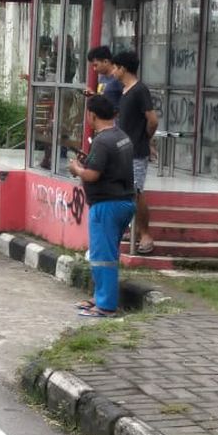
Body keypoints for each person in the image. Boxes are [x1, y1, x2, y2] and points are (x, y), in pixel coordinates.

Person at [68, 95, 136, 317]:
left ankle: (105, 305)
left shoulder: (102, 141)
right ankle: (99, 297)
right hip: (124, 202)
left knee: (102, 256)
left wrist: (77, 168)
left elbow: (92, 174)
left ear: (92, 115)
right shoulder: (122, 136)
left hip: (107, 205)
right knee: (107, 253)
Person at [113, 50, 158, 255]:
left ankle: (146, 234)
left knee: (137, 192)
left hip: (137, 151)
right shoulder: (125, 91)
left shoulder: (140, 90)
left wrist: (146, 139)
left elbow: (152, 120)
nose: (113, 71)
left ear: (123, 68)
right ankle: (132, 230)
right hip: (124, 151)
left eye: (115, 67)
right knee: (126, 192)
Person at [84, 46, 123, 113]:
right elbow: (103, 97)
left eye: (96, 65)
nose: (94, 69)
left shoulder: (118, 78)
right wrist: (93, 95)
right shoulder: (102, 78)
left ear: (105, 61)